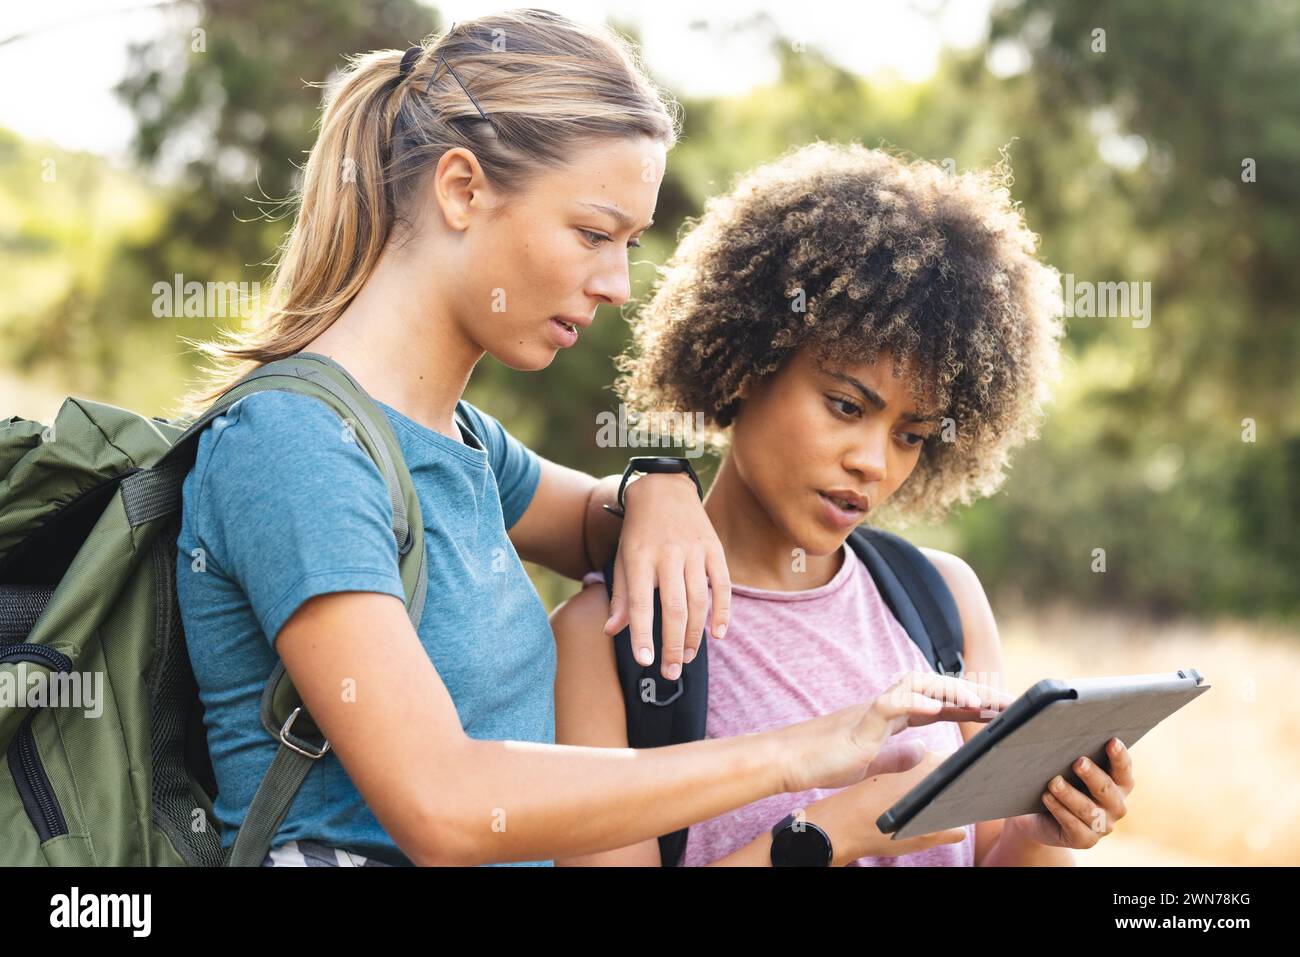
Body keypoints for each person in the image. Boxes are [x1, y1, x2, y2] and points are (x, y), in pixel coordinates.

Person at [172, 12, 1005, 868]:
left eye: (632, 244)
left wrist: (656, 486)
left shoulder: (464, 445)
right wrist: (800, 755)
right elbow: (442, 803)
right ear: (462, 189)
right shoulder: (295, 446)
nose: (615, 284)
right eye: (594, 234)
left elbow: (600, 521)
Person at [551, 143, 1135, 866]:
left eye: (911, 435)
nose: (874, 461)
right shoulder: (605, 636)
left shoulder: (941, 601)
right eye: (844, 404)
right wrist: (827, 838)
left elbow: (991, 857)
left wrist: (1037, 829)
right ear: (744, 365)